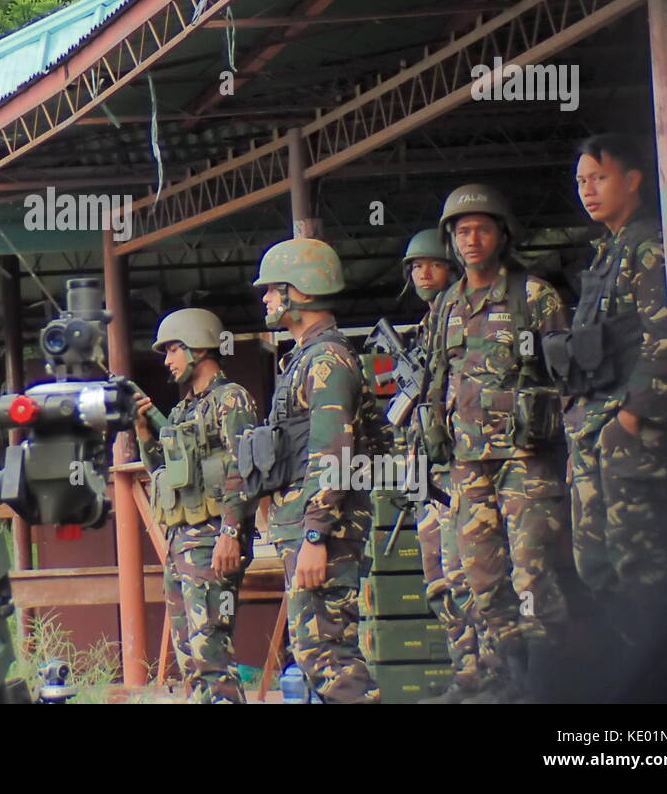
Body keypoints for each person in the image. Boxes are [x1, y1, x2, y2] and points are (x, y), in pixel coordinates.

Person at [425, 184, 571, 703]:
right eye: (462, 232)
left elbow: (569, 380)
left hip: (526, 462)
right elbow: (437, 380)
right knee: (481, 583)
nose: (472, 239)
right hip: (468, 465)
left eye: (482, 229)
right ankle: (507, 685)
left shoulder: (533, 296)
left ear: (502, 234)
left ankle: (555, 687)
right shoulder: (445, 306)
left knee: (534, 577)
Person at [546, 134, 667, 646]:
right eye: (581, 181)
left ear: (633, 181)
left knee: (639, 563)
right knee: (595, 563)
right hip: (593, 427)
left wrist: (634, 416)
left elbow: (666, 335)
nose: (588, 190)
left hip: (625, 430)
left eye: (599, 178)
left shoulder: (648, 244)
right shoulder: (608, 252)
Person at [252, 238, 383, 703]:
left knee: (329, 656)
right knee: (315, 653)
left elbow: (334, 453)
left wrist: (314, 535)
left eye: (273, 289)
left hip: (324, 532)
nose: (266, 299)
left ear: (300, 292)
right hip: (311, 528)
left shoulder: (326, 361)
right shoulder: (307, 359)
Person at [133, 308, 258, 703]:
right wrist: (144, 434)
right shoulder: (184, 410)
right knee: (188, 652)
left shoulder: (231, 399)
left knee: (210, 651)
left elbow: (244, 469)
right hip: (180, 541)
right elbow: (165, 476)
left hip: (213, 538)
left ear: (200, 347)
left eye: (173, 349)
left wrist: (231, 534)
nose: (167, 361)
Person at [399, 229, 478, 704]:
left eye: (432, 264)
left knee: (468, 575)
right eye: (415, 267)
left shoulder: (463, 313)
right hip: (428, 473)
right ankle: (466, 673)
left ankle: (491, 676)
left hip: (458, 469)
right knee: (439, 580)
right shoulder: (428, 325)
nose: (423, 273)